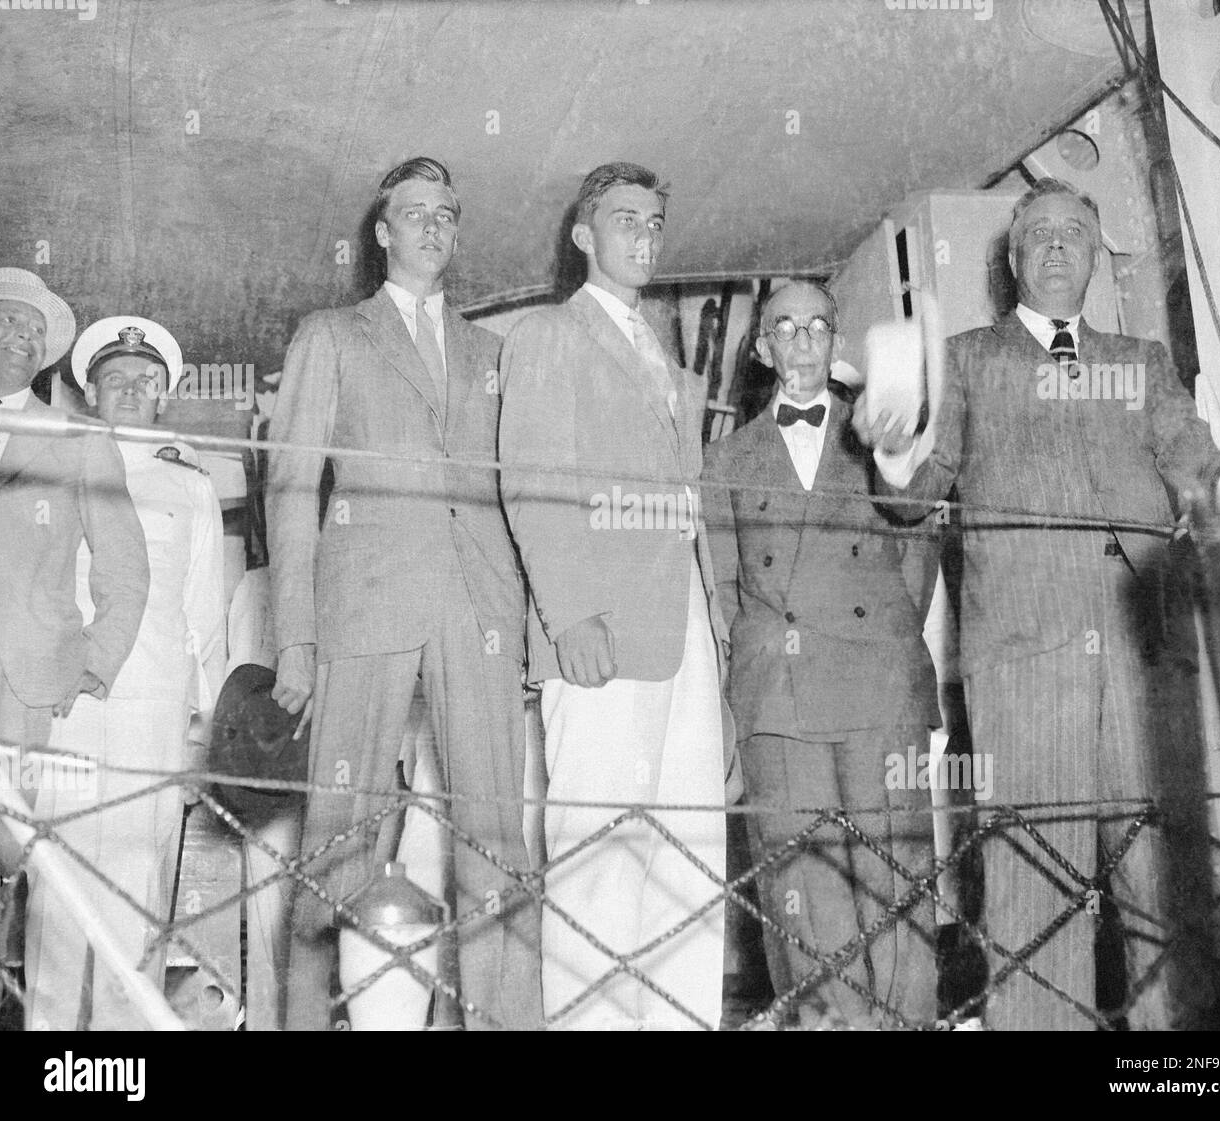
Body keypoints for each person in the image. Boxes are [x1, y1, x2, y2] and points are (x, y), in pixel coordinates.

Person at [855, 178, 1219, 1030]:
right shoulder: (971, 359)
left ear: (1094, 259)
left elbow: (1197, 468)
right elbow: (912, 494)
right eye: (1040, 235)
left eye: (1076, 234)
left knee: (1162, 886)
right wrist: (894, 441)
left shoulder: (1143, 364)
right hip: (1025, 660)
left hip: (1141, 656)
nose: (1058, 246)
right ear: (1013, 261)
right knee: (1034, 887)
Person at [267, 156, 539, 1030]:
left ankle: (506, 1022)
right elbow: (290, 487)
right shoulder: (332, 335)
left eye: (447, 214)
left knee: (496, 842)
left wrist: (525, 626)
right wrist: (296, 639)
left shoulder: (494, 352)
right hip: (365, 605)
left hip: (479, 614)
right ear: (381, 233)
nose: (432, 227)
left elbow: (518, 495)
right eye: (414, 213)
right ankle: (310, 1021)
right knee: (338, 834)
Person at [499, 162, 729, 1030]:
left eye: (655, 220)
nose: (644, 233)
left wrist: (716, 638)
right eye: (624, 218)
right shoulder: (546, 335)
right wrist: (567, 611)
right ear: (583, 236)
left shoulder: (664, 353)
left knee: (688, 857)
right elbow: (527, 478)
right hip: (596, 628)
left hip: (684, 637)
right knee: (600, 860)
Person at [702, 280, 941, 1029]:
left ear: (837, 344)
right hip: (776, 694)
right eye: (784, 326)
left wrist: (886, 641)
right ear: (762, 346)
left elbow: (917, 546)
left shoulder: (883, 431)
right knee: (802, 890)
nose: (802, 340)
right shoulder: (723, 460)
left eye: (818, 326)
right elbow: (721, 586)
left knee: (894, 879)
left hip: (877, 678)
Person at [22, 317, 225, 1030]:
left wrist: (204, 733)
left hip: (154, 709)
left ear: (164, 395)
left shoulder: (190, 483)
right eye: (115, 379)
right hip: (66, 702)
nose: (132, 389)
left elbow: (205, 619)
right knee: (59, 876)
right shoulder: (51, 467)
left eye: (146, 381)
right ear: (90, 392)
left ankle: (125, 1047)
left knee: (140, 880)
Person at [0, 269, 148, 1019]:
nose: (19, 338)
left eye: (34, 331)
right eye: (6, 321)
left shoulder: (78, 439)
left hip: (22, 686)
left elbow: (125, 565)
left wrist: (90, 659)